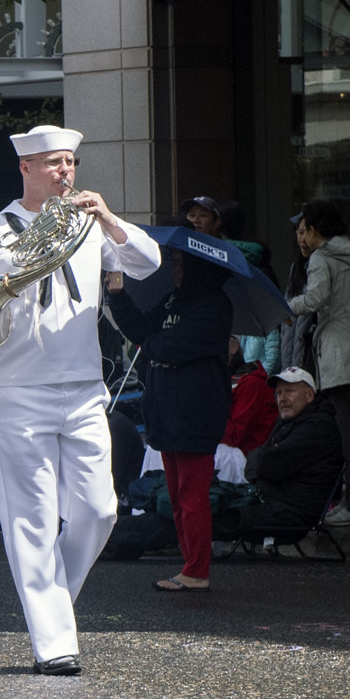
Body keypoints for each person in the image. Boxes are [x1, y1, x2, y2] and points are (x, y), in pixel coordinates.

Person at [0, 125, 161, 675]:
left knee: (101, 509)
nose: (66, 172)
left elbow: (147, 262)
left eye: (71, 163)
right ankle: (54, 642)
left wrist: (107, 219)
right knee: (31, 519)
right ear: (26, 169)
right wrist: (7, 276)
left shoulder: (87, 227)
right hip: (17, 393)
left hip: (82, 390)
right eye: (54, 163)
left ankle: (52, 606)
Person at [106, 251, 234, 591]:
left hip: (196, 410)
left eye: (181, 264)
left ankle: (197, 569)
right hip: (165, 410)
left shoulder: (213, 305)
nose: (175, 269)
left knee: (192, 494)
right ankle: (188, 563)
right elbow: (140, 329)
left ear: (198, 268)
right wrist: (118, 296)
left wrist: (147, 344)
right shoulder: (173, 301)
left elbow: (172, 346)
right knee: (176, 494)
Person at [285, 199, 350, 517]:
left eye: (306, 230)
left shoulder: (320, 258)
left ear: (315, 230)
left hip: (341, 360)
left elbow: (315, 298)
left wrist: (285, 306)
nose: (303, 238)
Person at [231, 368, 346, 534]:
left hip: (293, 511)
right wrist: (259, 460)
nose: (282, 398)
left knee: (215, 514)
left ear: (309, 395)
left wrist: (259, 460)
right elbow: (257, 464)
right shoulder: (288, 422)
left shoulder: (318, 425)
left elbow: (266, 463)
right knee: (211, 503)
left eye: (289, 391)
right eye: (279, 393)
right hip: (274, 502)